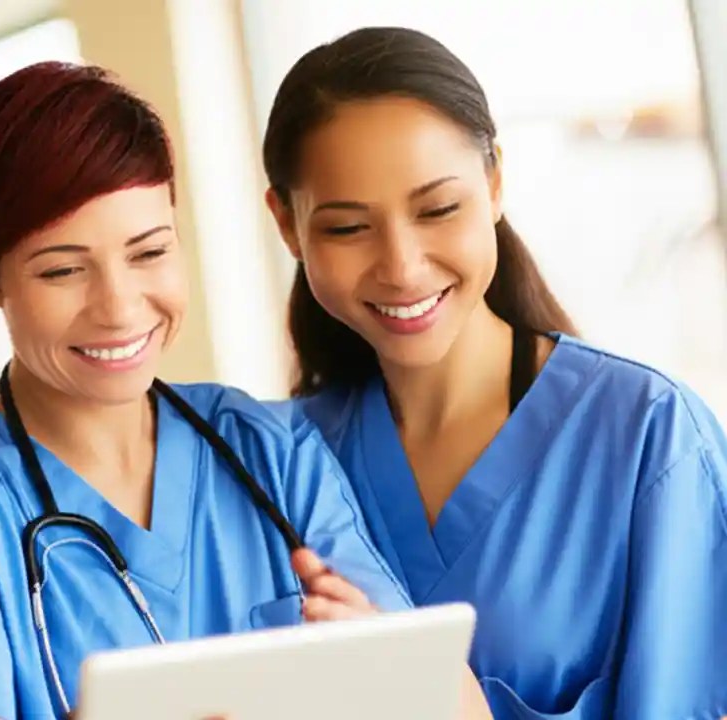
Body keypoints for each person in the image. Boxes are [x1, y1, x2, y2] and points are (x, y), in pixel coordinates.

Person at [0, 60, 495, 720]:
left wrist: (387, 670)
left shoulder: (270, 451)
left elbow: (459, 708)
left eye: (148, 253)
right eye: (63, 270)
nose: (119, 307)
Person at [261, 26, 727, 720]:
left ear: (495, 183)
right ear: (288, 225)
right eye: (348, 228)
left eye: (438, 209)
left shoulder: (649, 439)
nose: (402, 265)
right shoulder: (278, 462)